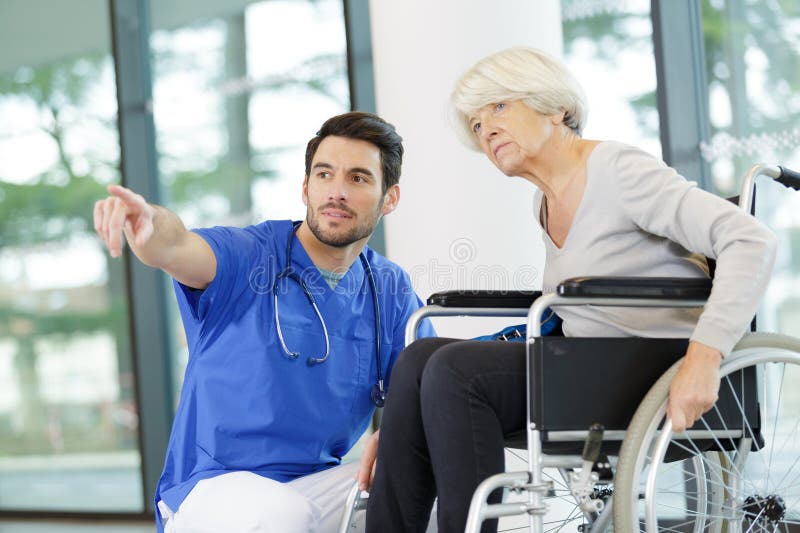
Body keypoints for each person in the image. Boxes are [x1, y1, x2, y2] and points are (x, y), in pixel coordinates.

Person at [364, 47, 777, 533]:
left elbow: (751, 240)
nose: (487, 129)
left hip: (649, 365)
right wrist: (401, 422)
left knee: (456, 372)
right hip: (585, 366)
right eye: (476, 124)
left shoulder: (618, 170)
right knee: (417, 361)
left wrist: (705, 359)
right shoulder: (544, 203)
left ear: (556, 106)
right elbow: (569, 311)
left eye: (498, 106)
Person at [93, 111, 435, 533]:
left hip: (314, 486)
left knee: (426, 488)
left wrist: (405, 438)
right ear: (305, 187)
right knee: (282, 514)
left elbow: (425, 382)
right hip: (212, 490)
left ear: (390, 198)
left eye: (359, 179)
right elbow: (178, 244)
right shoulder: (249, 255)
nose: (337, 192)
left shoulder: (388, 288)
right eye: (324, 175)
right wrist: (149, 226)